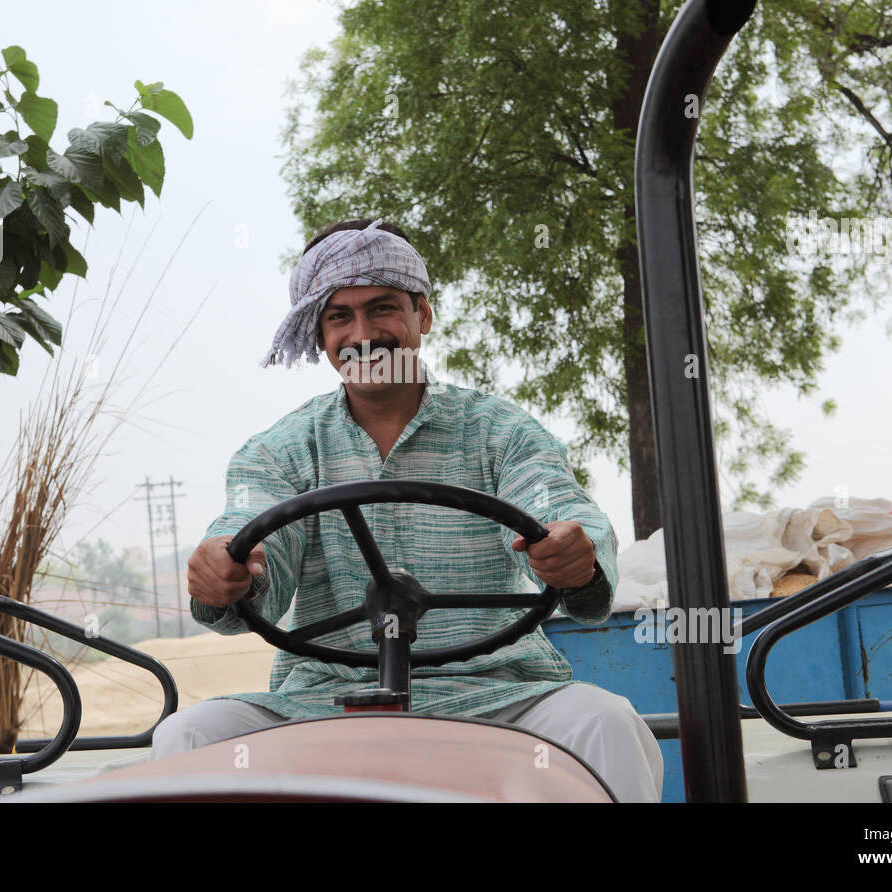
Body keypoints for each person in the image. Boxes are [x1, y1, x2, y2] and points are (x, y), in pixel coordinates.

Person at [151, 218, 663, 801]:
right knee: (189, 734)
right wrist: (227, 570)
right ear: (320, 335)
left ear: (423, 314)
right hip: (324, 700)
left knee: (607, 723)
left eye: (382, 308)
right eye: (338, 316)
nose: (362, 333)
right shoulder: (279, 452)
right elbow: (249, 541)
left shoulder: (500, 432)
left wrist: (575, 551)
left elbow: (554, 506)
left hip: (500, 695)